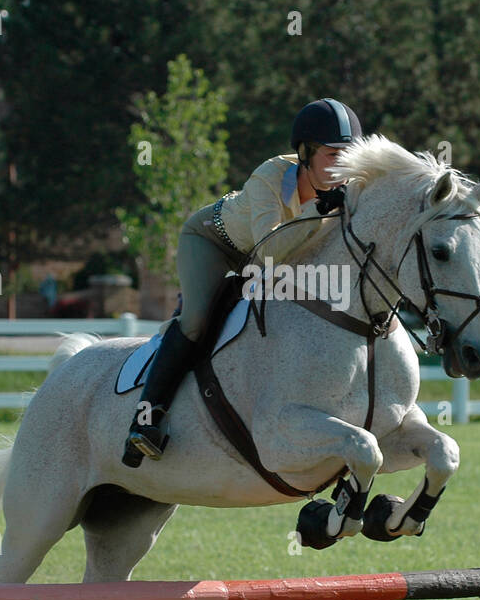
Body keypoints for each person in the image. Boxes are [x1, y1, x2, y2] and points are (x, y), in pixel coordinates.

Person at [122, 98, 363, 467]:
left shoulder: (350, 187)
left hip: (274, 259)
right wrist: (318, 210)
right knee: (197, 320)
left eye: (348, 156)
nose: (341, 168)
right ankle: (146, 419)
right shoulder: (270, 175)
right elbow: (267, 254)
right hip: (216, 243)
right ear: (304, 154)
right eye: (332, 156)